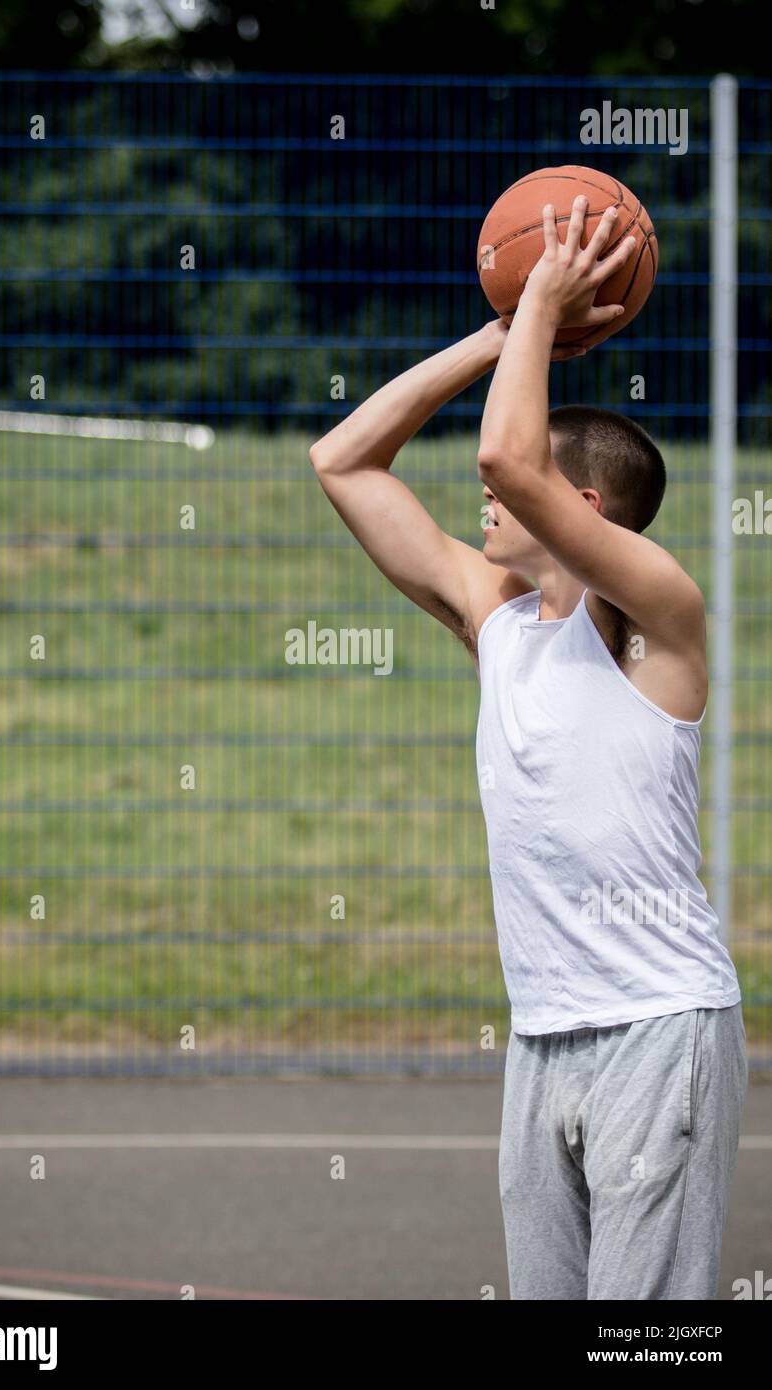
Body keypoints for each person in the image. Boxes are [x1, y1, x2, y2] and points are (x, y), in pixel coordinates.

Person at [309, 195, 747, 1300]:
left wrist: (546, 308)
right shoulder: (495, 620)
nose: (484, 498)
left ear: (579, 505)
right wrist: (499, 334)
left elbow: (507, 458)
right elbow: (343, 462)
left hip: (658, 1027)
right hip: (542, 1034)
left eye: (514, 496)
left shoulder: (655, 617)